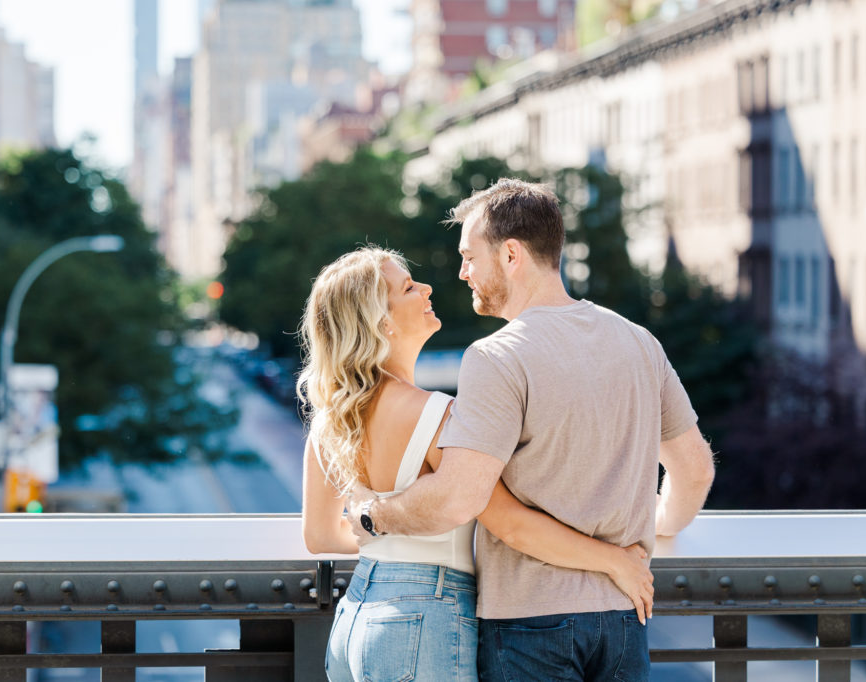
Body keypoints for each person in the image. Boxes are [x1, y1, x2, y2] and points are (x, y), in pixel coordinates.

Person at [347, 179, 716, 681]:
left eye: (470, 258)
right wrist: (646, 538)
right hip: (624, 617)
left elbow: (459, 498)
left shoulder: (497, 356)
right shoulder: (640, 343)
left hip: (528, 625)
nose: (462, 273)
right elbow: (694, 471)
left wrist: (373, 514)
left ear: (512, 254)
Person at [300, 246, 656, 682]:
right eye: (409, 287)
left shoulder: (332, 418)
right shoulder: (438, 416)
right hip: (423, 614)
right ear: (383, 323)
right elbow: (511, 525)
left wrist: (380, 526)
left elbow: (319, 536)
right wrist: (616, 561)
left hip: (357, 611)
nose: (427, 287)